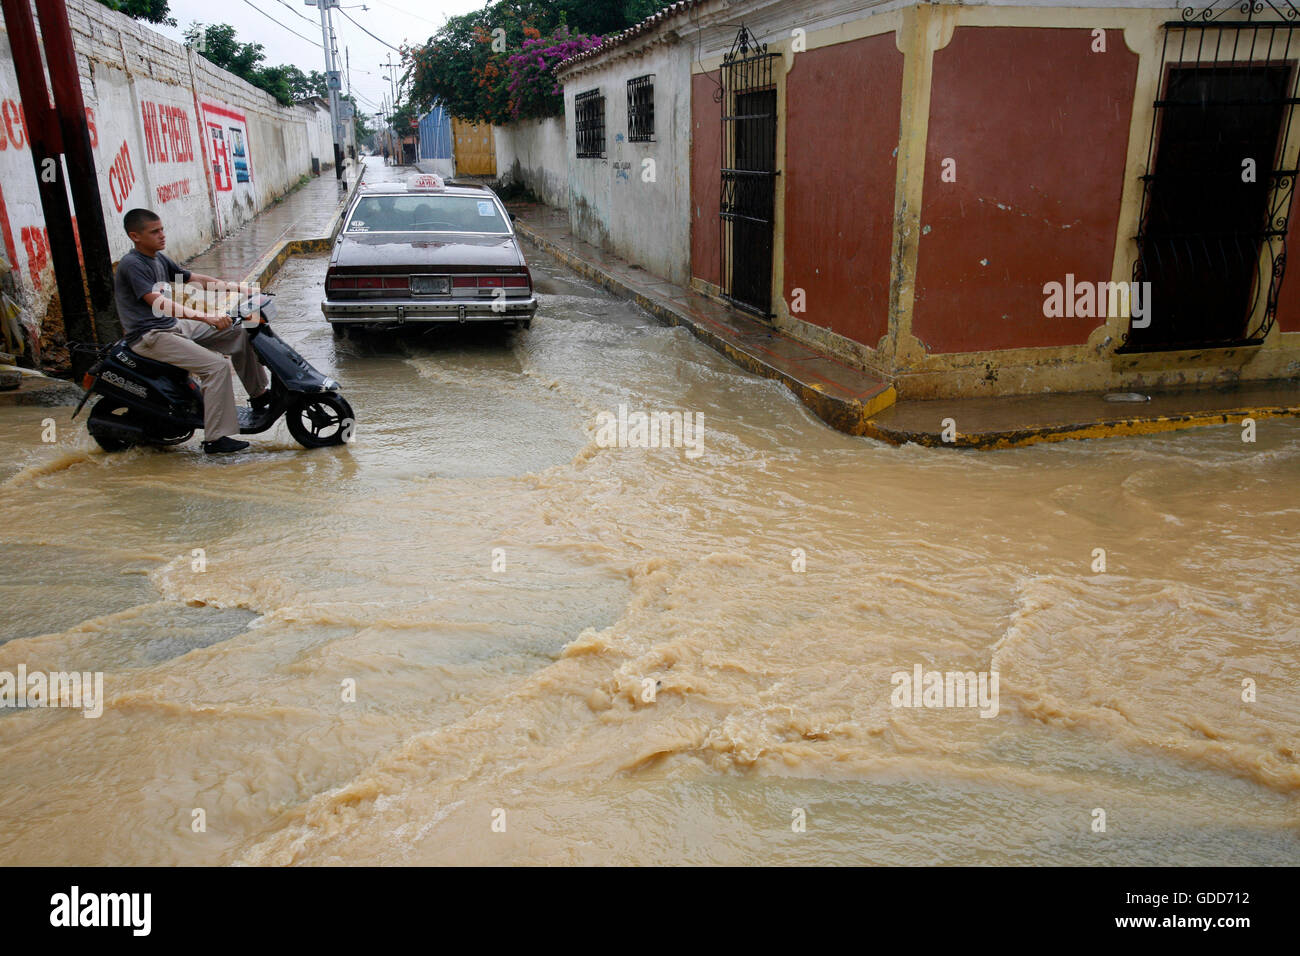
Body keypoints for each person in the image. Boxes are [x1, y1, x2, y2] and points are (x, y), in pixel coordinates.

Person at [113, 208, 270, 454]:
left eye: (162, 229)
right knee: (216, 366)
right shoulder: (132, 264)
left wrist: (238, 289)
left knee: (239, 331)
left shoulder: (158, 258)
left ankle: (259, 395)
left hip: (171, 326)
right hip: (150, 336)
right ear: (135, 236)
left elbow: (193, 279)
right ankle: (216, 439)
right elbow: (157, 302)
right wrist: (206, 316)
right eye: (154, 232)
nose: (162, 235)